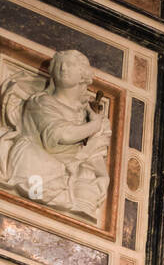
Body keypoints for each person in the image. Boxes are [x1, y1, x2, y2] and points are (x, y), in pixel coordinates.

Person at [0, 49, 110, 222]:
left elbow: (95, 157)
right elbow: (60, 136)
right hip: (34, 165)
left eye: (70, 64)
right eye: (59, 64)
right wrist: (93, 126)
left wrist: (100, 179)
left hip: (70, 176)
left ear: (83, 75)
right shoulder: (40, 102)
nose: (63, 68)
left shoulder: (91, 115)